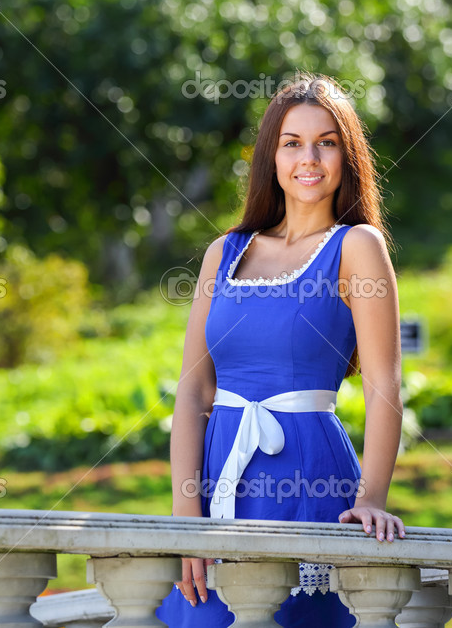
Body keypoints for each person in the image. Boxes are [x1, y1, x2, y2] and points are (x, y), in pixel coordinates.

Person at [156, 73, 404, 627]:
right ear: (271, 155)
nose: (308, 158)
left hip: (310, 478)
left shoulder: (356, 247)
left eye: (327, 142)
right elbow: (195, 390)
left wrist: (372, 498)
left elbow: (384, 385)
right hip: (219, 477)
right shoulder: (225, 251)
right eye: (292, 142)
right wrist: (184, 515)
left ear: (347, 155)